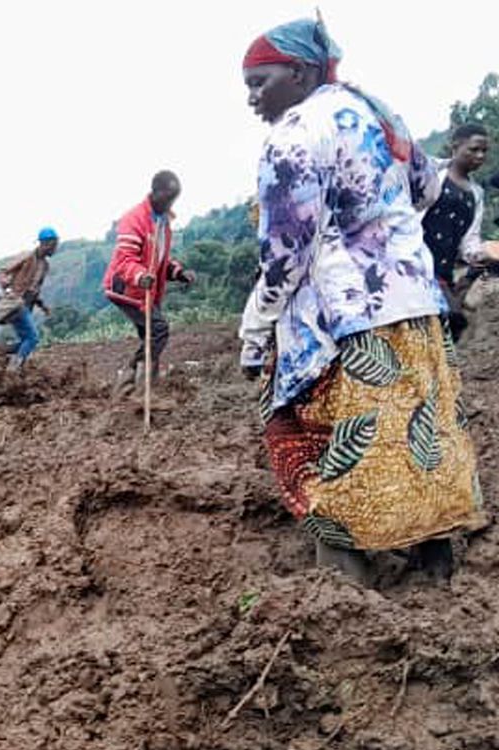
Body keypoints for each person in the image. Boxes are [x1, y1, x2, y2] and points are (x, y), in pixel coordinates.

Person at [238, 16, 485, 583]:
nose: (253, 98)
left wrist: (256, 327)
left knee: (324, 438)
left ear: (298, 73)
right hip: (416, 304)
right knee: (418, 433)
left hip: (347, 318)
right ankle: (434, 564)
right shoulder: (377, 112)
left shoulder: (293, 136)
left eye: (260, 81)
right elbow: (428, 185)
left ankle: (345, 580)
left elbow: (285, 253)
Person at [103, 172, 196, 393]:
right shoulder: (134, 219)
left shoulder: (163, 221)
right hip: (125, 288)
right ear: (155, 192)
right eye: (168, 197)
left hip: (144, 288)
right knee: (158, 329)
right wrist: (140, 276)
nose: (170, 203)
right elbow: (125, 260)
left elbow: (159, 259)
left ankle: (139, 385)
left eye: (174, 198)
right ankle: (132, 379)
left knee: (149, 335)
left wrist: (178, 272)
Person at [421, 124, 494, 341]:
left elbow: (469, 243)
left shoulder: (476, 194)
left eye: (484, 151)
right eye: (473, 149)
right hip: (416, 269)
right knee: (450, 320)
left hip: (443, 274)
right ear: (455, 146)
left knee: (449, 329)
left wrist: (482, 253)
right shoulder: (431, 174)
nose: (480, 156)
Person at [0, 227, 59, 371]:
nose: (56, 248)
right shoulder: (27, 256)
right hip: (15, 304)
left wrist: (42, 306)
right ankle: (14, 367)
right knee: (33, 338)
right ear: (46, 243)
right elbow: (4, 270)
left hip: (26, 306)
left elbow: (34, 290)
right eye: (55, 244)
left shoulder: (45, 266)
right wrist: (6, 287)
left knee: (26, 340)